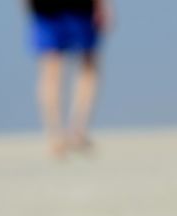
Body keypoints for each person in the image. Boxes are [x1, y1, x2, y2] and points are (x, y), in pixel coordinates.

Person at [24, 0, 112, 157]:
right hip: (66, 9)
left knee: (53, 68)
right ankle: (73, 131)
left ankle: (59, 134)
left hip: (51, 10)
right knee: (78, 66)